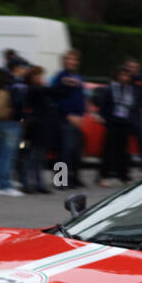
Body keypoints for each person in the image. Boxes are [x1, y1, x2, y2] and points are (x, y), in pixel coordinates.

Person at [0, 58, 28, 195]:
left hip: (3, 121)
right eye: (24, 66)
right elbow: (18, 103)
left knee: (2, 153)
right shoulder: (17, 83)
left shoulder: (6, 81)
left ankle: (0, 180)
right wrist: (21, 118)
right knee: (8, 155)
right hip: (11, 122)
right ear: (17, 68)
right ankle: (4, 185)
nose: (26, 69)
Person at [97, 65, 138, 187]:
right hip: (112, 124)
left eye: (127, 76)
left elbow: (133, 108)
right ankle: (104, 175)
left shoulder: (130, 90)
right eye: (122, 75)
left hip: (124, 124)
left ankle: (124, 176)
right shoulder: (111, 89)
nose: (124, 78)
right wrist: (106, 119)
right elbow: (104, 106)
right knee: (108, 151)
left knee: (123, 152)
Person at [50, 48, 86, 187]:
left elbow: (80, 98)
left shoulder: (79, 77)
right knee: (64, 150)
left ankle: (73, 178)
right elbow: (57, 98)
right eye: (69, 59)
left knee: (75, 151)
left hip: (78, 118)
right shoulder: (60, 77)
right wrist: (68, 115)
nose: (72, 62)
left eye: (74, 59)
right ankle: (60, 180)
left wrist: (81, 115)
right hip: (65, 118)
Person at [20, 66, 53, 193]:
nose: (40, 78)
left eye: (41, 75)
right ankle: (28, 183)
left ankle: (39, 183)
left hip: (42, 129)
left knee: (40, 158)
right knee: (30, 157)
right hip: (32, 130)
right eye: (37, 76)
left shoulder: (39, 91)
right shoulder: (32, 90)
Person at [125, 57, 142, 172]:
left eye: (135, 68)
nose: (133, 70)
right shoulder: (124, 79)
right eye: (131, 67)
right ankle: (126, 165)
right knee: (124, 141)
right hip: (125, 114)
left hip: (137, 114)